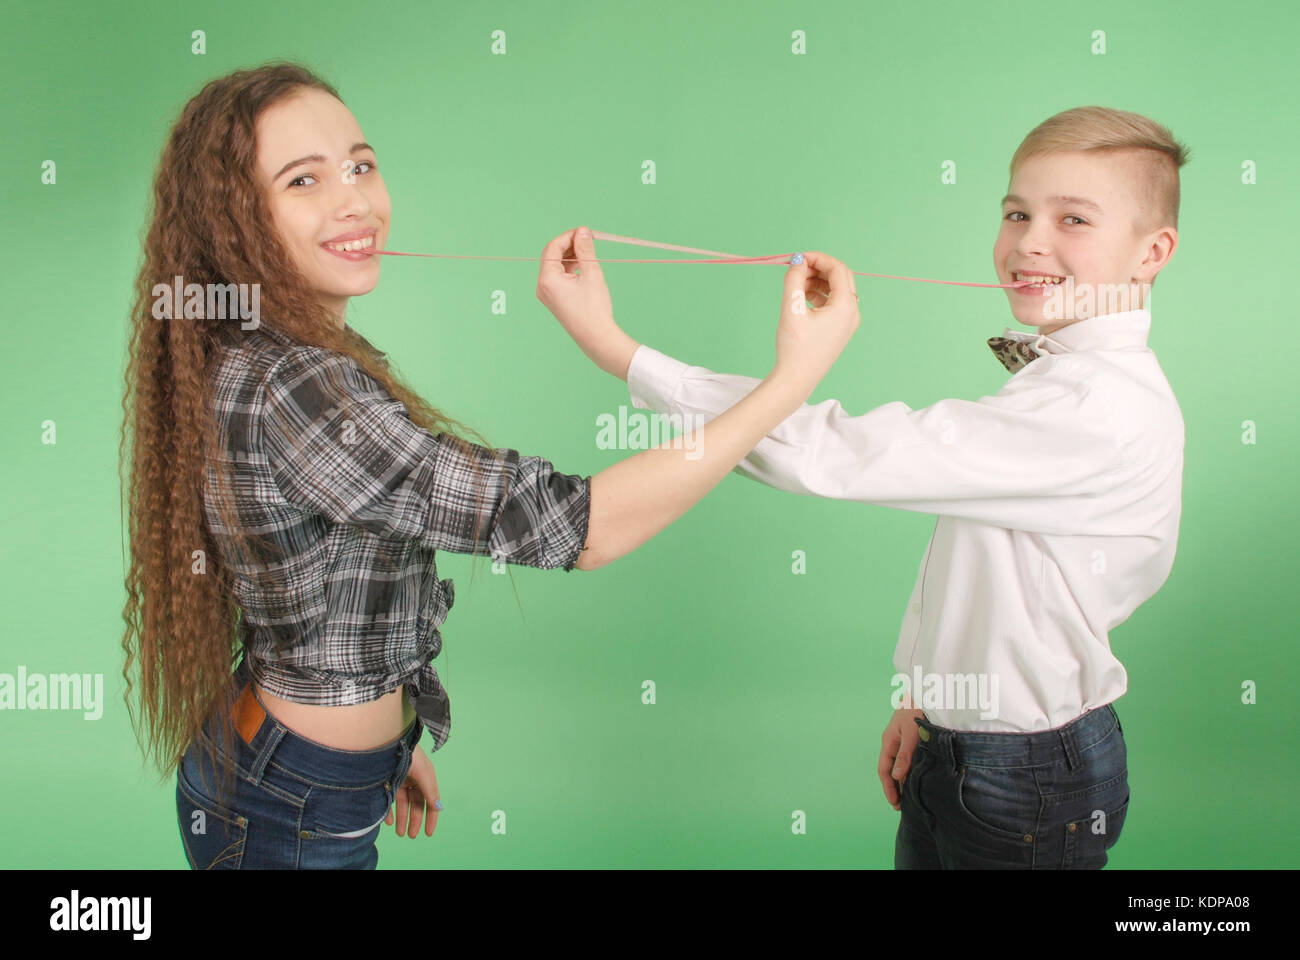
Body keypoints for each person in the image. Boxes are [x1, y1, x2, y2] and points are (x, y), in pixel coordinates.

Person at [120, 60, 859, 869]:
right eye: (303, 181)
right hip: (291, 801)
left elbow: (326, 589)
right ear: (235, 219)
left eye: (361, 165)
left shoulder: (280, 356)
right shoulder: (295, 388)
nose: (354, 200)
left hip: (300, 773)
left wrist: (384, 746)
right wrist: (790, 382)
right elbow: (581, 527)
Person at [559, 105, 1187, 868]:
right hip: (968, 749)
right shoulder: (1065, 385)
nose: (1029, 241)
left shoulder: (1093, 406)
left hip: (1026, 772)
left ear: (1152, 251)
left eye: (1074, 219)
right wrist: (923, 700)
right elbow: (985, 570)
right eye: (1017, 212)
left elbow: (828, 453)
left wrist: (620, 352)